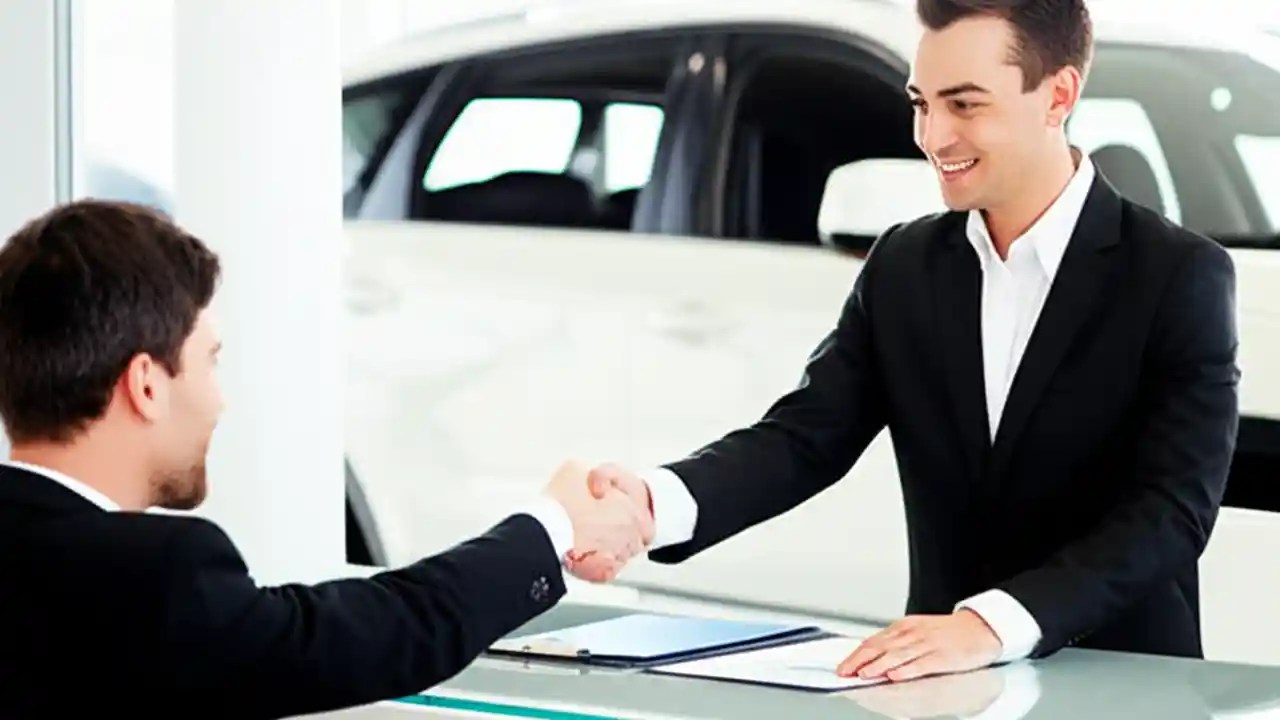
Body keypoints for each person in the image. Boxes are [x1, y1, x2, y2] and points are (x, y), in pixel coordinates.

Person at [569, 0, 1239, 682]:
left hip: (1125, 685)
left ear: (1058, 95)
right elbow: (804, 438)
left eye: (964, 105)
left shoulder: (1176, 274)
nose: (932, 136)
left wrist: (989, 625)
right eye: (922, 103)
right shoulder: (904, 265)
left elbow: (1170, 511)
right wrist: (652, 506)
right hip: (940, 686)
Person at [0, 200, 651, 717]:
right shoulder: (154, 577)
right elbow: (379, 632)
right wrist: (555, 527)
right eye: (210, 362)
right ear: (146, 385)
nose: (221, 402)